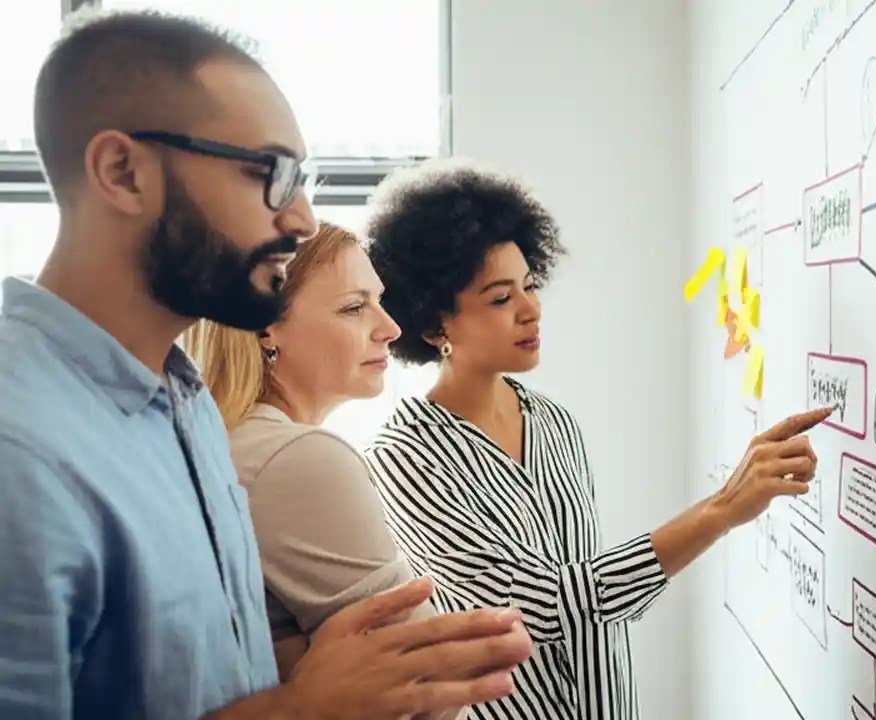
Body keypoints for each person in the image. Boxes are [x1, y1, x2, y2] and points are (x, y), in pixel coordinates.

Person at [0, 10, 531, 719]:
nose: (304, 218)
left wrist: (291, 678)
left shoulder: (183, 405)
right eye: (272, 175)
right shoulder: (19, 447)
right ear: (123, 172)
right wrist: (301, 710)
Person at [359, 157, 834, 720]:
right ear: (436, 325)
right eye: (500, 298)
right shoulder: (404, 457)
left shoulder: (554, 424)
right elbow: (542, 609)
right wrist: (721, 510)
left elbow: (605, 593)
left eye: (529, 286)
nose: (532, 310)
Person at [183, 220, 459, 717]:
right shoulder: (296, 458)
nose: (390, 329)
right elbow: (428, 684)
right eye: (354, 308)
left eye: (379, 300)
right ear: (266, 326)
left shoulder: (226, 443)